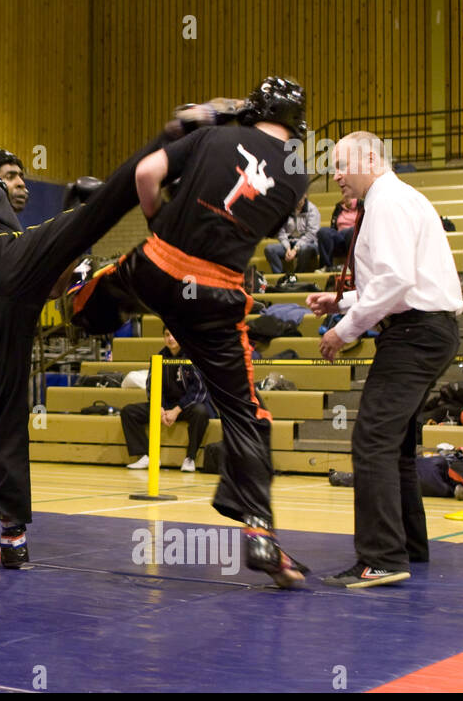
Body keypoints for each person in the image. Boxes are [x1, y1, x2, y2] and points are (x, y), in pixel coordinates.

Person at [0, 90, 257, 571]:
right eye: (12, 176)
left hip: (1, 311)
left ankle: (13, 538)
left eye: (23, 177)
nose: (21, 184)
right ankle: (177, 134)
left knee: (7, 420)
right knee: (97, 212)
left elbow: (49, 287)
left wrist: (73, 243)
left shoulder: (16, 227)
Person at [71, 76, 312, 588]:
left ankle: (73, 280)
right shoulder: (297, 177)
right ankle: (260, 530)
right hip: (217, 295)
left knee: (96, 301)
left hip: (158, 269)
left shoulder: (212, 135)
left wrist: (161, 213)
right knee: (248, 414)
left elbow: (147, 172)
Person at [307, 131, 463, 588]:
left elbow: (395, 284)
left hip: (414, 333)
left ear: (369, 159)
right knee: (394, 446)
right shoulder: (399, 199)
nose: (334, 175)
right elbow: (400, 282)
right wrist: (339, 303)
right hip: (425, 328)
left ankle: (380, 557)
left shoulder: (388, 203)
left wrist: (343, 331)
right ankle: (408, 547)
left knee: (372, 439)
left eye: (340, 165)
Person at [121, 329, 213, 473]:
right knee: (129, 412)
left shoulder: (193, 356)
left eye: (174, 334)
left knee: (201, 411)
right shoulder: (159, 357)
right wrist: (159, 408)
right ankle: (147, 456)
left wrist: (177, 410)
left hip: (186, 407)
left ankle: (190, 458)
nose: (170, 338)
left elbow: (200, 389)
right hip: (165, 406)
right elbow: (151, 386)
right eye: (167, 335)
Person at [264, 194, 320, 274]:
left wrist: (295, 249)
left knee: (304, 249)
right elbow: (281, 232)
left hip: (309, 244)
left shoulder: (312, 209)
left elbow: (311, 234)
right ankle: (280, 276)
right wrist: (287, 248)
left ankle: (298, 274)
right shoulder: (287, 209)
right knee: (269, 249)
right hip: (290, 242)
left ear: (305, 195)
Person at [316, 195, 360, 270]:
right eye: (345, 196)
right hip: (339, 236)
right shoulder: (339, 208)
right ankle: (326, 267)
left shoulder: (361, 206)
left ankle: (351, 265)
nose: (346, 197)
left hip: (354, 236)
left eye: (350, 196)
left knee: (352, 230)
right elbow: (333, 227)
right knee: (323, 231)